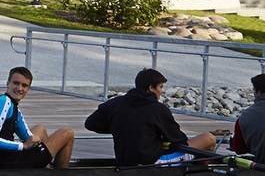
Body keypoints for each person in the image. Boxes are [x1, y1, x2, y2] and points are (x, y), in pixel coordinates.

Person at [84, 67, 218, 167]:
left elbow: (90, 124)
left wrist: (120, 127)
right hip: (152, 163)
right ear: (151, 88)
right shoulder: (158, 109)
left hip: (124, 161)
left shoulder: (114, 103)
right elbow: (179, 140)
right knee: (208, 138)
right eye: (160, 87)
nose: (162, 91)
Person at [0, 66, 75, 168]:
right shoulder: (3, 103)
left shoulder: (13, 107)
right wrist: (23, 145)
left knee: (40, 129)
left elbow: (29, 137)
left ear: (28, 89)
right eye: (16, 83)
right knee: (67, 133)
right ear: (8, 83)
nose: (19, 88)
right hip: (9, 164)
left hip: (9, 158)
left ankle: (44, 171)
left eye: (24, 85)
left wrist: (38, 143)